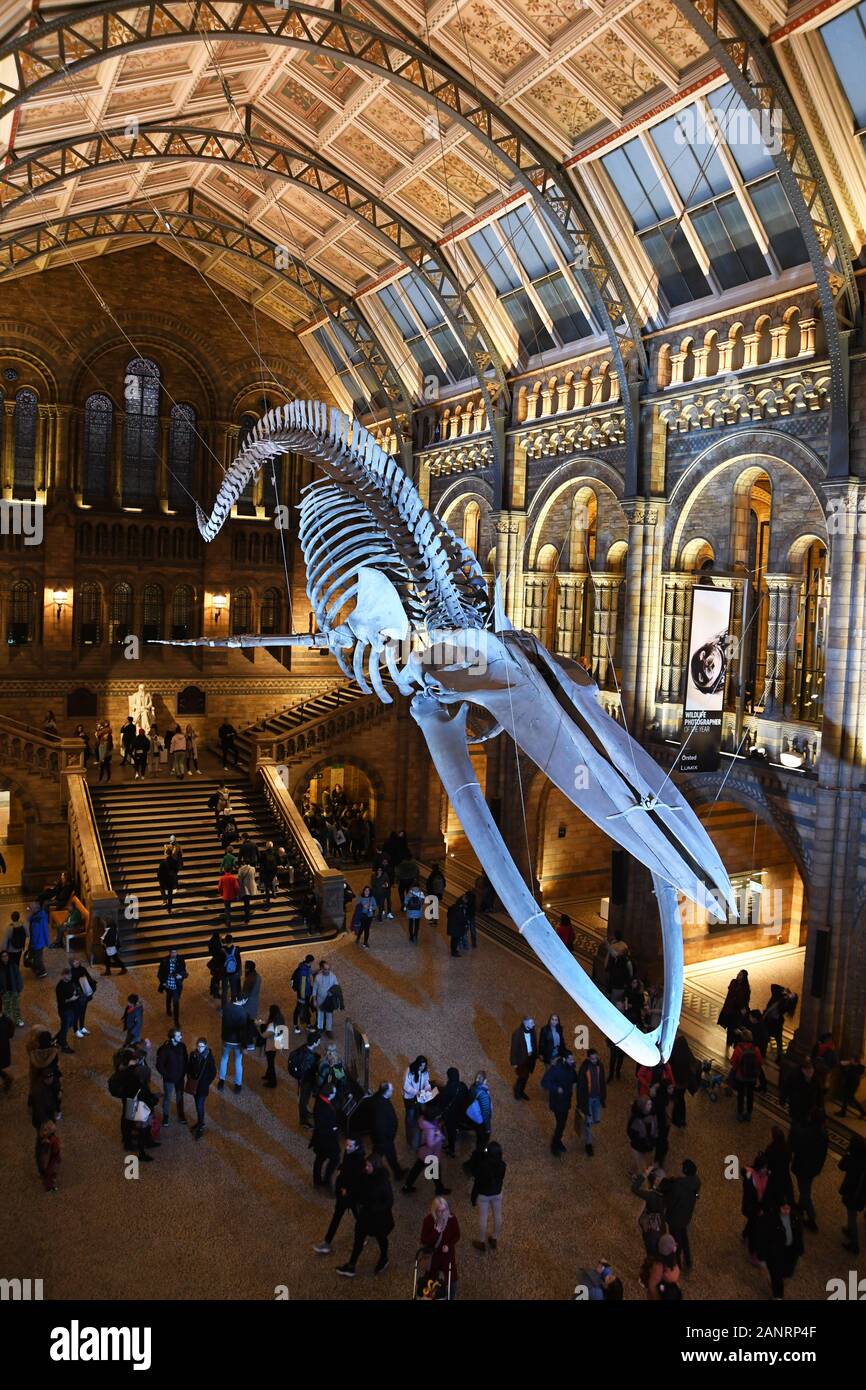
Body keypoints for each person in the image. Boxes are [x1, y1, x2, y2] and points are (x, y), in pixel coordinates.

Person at [337, 1154, 395, 1277]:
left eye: (369, 1165)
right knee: (358, 1239)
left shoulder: (383, 1182)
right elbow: (358, 1188)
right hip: (365, 1215)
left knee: (381, 1238)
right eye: (366, 1165)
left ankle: (384, 1258)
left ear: (375, 1166)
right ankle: (351, 1265)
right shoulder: (365, 1175)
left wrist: (375, 1208)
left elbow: (389, 1201)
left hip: (378, 1217)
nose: (366, 1167)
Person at [314, 1138, 366, 1254]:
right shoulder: (349, 1153)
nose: (347, 1147)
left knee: (355, 1216)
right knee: (344, 1216)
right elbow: (345, 1166)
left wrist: (346, 1189)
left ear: (357, 1146)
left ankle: (328, 1242)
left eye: (350, 1145)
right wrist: (340, 1169)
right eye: (347, 1144)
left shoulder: (359, 1161)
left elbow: (357, 1180)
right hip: (344, 1195)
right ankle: (327, 1242)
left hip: (350, 1196)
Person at [789, 1107, 827, 1233]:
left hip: (803, 1167)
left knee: (805, 1192)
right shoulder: (823, 1134)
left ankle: (811, 1217)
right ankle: (800, 1207)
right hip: (813, 1168)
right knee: (806, 1188)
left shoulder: (805, 1133)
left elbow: (795, 1146)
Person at [401, 1105, 450, 1195]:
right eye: (438, 1115)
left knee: (417, 1168)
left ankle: (407, 1186)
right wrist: (439, 1136)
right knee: (435, 1173)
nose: (440, 1116)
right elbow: (430, 1143)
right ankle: (440, 1189)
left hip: (423, 1152)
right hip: (430, 1154)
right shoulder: (430, 1129)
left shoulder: (423, 1120)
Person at [661, 1159, 700, 1269]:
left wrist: (670, 1181)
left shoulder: (678, 1185)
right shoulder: (696, 1181)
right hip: (686, 1215)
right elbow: (696, 1195)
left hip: (675, 1217)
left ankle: (677, 1263)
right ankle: (688, 1260)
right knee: (684, 1236)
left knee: (677, 1241)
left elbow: (669, 1199)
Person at [419, 1195, 460, 1300]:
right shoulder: (428, 1221)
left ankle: (451, 1296)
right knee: (432, 1279)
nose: (442, 1213)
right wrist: (436, 1231)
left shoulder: (452, 1219)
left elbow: (457, 1235)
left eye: (444, 1210)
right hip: (434, 1256)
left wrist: (448, 1245)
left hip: (447, 1256)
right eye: (439, 1211)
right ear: (434, 1210)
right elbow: (424, 1240)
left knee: (452, 1278)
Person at [470, 1139, 506, 1253]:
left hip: (484, 1195)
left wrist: (473, 1197)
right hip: (497, 1192)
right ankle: (494, 1238)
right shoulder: (503, 1165)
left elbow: (477, 1181)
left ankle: (481, 1242)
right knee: (497, 1215)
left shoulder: (483, 1166)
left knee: (483, 1217)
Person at [542, 1051, 577, 1155]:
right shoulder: (556, 1070)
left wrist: (574, 1084)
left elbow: (575, 1078)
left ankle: (557, 1141)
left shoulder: (570, 1068)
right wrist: (556, 1089)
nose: (573, 1061)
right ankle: (555, 1144)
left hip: (566, 1101)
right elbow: (544, 1082)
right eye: (570, 1059)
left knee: (561, 1124)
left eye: (573, 1059)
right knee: (561, 1124)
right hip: (558, 1102)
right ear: (565, 1059)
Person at [370, 1081, 405, 1180]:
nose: (393, 1090)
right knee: (390, 1155)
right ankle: (397, 1173)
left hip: (382, 1138)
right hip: (385, 1139)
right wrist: (387, 1138)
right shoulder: (381, 1106)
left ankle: (397, 1172)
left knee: (378, 1153)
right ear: (386, 1092)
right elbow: (379, 1125)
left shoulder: (378, 1098)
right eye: (391, 1089)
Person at [576, 1046, 607, 1156]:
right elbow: (580, 1086)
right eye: (593, 1058)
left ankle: (586, 1125)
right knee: (589, 1122)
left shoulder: (600, 1066)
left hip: (597, 1098)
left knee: (596, 1119)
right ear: (589, 1058)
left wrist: (603, 1097)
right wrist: (580, 1103)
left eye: (596, 1058)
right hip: (588, 1098)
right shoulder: (585, 1068)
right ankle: (588, 1143)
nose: (595, 1060)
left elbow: (602, 1082)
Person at [632, 1164, 667, 1257]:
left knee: (650, 1245)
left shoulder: (651, 1195)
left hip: (649, 1224)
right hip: (660, 1225)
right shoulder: (667, 1195)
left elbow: (634, 1189)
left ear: (656, 1180)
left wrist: (645, 1174)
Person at [839, 1132, 866, 1255]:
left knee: (852, 1216)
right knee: (851, 1214)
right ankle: (850, 1230)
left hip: (853, 1193)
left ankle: (854, 1243)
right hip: (859, 1193)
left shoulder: (854, 1159)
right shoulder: (863, 1159)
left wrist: (847, 1153)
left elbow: (841, 1165)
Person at [186, 1037, 217, 1139]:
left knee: (199, 1106)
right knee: (197, 1105)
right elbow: (189, 1067)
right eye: (198, 1046)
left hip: (203, 1087)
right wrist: (190, 1076)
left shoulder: (209, 1057)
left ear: (206, 1046)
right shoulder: (193, 1054)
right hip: (194, 1086)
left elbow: (213, 1072)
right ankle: (200, 1122)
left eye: (202, 1046)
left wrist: (207, 1082)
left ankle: (200, 1127)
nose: (199, 1048)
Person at [156, 1027, 188, 1125]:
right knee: (167, 1098)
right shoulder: (165, 1049)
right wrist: (167, 1075)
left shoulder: (182, 1046)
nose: (181, 1037)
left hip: (180, 1078)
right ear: (172, 1038)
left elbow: (186, 1059)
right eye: (178, 1036)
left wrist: (184, 1072)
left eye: (180, 1035)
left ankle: (181, 1115)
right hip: (169, 1079)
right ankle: (166, 1117)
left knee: (180, 1097)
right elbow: (159, 1065)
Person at [312, 1082, 341, 1190]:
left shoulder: (322, 1100)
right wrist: (333, 1128)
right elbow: (321, 1126)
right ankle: (326, 1180)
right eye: (334, 1093)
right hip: (326, 1139)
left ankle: (318, 1180)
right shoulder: (322, 1108)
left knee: (320, 1158)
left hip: (323, 1139)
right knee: (335, 1158)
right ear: (329, 1095)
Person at [729, 1028, 762, 1122]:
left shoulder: (739, 1049)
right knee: (750, 1095)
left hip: (741, 1076)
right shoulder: (756, 1049)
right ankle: (748, 1114)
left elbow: (733, 1062)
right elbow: (760, 1062)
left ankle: (740, 1113)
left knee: (741, 1095)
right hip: (752, 1077)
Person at [290, 1031, 321, 1129]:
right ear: (315, 1042)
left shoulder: (305, 1047)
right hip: (306, 1081)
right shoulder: (309, 1057)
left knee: (304, 1099)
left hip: (303, 1079)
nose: (320, 1041)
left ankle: (306, 1113)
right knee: (304, 1100)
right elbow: (306, 1070)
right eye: (318, 1040)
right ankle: (303, 1120)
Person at [402, 1056, 434, 1149]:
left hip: (420, 1097)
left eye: (424, 1066)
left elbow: (426, 1082)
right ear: (417, 1064)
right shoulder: (409, 1071)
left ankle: (417, 1136)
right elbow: (405, 1086)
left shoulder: (425, 1071)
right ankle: (409, 1137)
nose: (422, 1068)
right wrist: (416, 1092)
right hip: (410, 1098)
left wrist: (427, 1088)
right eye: (421, 1066)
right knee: (410, 1117)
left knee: (419, 1115)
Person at [669, 1030, 698, 1128]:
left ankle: (676, 1119)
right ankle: (682, 1119)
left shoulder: (674, 1051)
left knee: (678, 1100)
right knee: (681, 1099)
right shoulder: (686, 1051)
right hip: (686, 1081)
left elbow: (670, 1065)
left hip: (677, 1081)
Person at [217, 999, 247, 1094]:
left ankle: (221, 1081)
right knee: (238, 1062)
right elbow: (243, 1032)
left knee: (224, 1059)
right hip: (238, 1042)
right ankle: (238, 1085)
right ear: (242, 1000)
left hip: (226, 1040)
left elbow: (223, 1023)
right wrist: (244, 1045)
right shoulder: (243, 1012)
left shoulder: (226, 1007)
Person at [717, 969, 750, 1051]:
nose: (738, 976)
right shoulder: (733, 982)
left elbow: (745, 1001)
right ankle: (729, 1043)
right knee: (730, 1028)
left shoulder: (745, 989)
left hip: (737, 1012)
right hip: (729, 1009)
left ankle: (734, 1045)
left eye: (740, 975)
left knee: (734, 1028)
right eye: (738, 974)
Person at [763, 983, 797, 1060]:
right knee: (769, 1036)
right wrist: (784, 989)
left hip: (775, 1022)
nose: (791, 995)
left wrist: (785, 994)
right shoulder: (780, 996)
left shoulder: (786, 1004)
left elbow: (780, 1008)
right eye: (792, 994)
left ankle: (778, 1055)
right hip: (770, 1019)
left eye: (793, 996)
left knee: (776, 1038)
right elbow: (773, 986)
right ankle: (765, 1052)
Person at [627, 1096, 658, 1177]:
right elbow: (631, 1133)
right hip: (638, 1146)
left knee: (639, 1161)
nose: (650, 1106)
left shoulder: (652, 1114)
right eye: (648, 1105)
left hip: (648, 1144)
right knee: (641, 1164)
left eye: (650, 1104)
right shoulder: (635, 1119)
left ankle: (631, 1172)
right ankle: (641, 1180)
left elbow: (655, 1128)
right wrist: (643, 1141)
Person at [157, 948, 187, 1026]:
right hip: (168, 985)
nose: (174, 954)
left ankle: (176, 1020)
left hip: (176, 986)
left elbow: (184, 971)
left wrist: (181, 976)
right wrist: (163, 983)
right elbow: (160, 974)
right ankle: (168, 1010)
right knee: (168, 997)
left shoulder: (180, 960)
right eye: (172, 952)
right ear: (169, 953)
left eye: (175, 952)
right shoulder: (164, 961)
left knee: (176, 1003)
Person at [510, 1016, 538, 1099]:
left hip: (530, 1058)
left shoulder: (532, 1031)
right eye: (531, 1022)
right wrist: (514, 1062)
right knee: (523, 1076)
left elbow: (534, 1043)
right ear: (525, 1023)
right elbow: (514, 1049)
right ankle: (517, 1091)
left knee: (526, 1076)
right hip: (522, 1059)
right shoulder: (517, 1033)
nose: (533, 1024)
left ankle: (521, 1091)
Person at [54, 967, 79, 1055]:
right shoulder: (60, 986)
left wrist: (75, 993)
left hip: (71, 1008)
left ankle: (56, 1039)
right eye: (68, 975)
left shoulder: (69, 982)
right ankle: (64, 1045)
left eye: (70, 975)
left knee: (69, 1025)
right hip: (64, 1010)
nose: (70, 976)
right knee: (65, 1027)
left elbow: (72, 991)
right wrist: (72, 999)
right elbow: (61, 1001)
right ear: (63, 975)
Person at [259, 1004, 285, 1088]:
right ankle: (268, 1075)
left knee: (270, 1063)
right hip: (277, 1044)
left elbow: (264, 1036)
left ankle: (272, 1082)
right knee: (270, 1061)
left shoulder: (272, 1025)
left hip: (270, 1046)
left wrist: (258, 1028)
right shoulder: (280, 1019)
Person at [70, 956, 96, 1037]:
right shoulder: (71, 972)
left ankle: (82, 1027)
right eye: (75, 962)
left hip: (84, 994)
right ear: (71, 964)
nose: (77, 963)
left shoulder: (83, 969)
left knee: (83, 1012)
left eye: (78, 961)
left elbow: (88, 977)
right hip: (77, 996)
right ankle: (76, 1030)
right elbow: (71, 984)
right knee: (76, 1014)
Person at [312, 959, 339, 1035]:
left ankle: (328, 1030)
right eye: (325, 969)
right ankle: (319, 1028)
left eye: (328, 969)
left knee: (329, 1015)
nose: (327, 971)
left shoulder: (333, 976)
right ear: (322, 969)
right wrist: (314, 1000)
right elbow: (315, 989)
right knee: (320, 1014)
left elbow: (336, 987)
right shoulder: (318, 977)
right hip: (320, 999)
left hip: (329, 1000)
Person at [290, 954, 315, 1033]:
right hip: (303, 995)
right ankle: (296, 1025)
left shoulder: (303, 966)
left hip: (305, 993)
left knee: (305, 1009)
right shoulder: (303, 971)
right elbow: (303, 985)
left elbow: (309, 973)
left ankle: (307, 1024)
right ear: (311, 962)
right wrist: (302, 998)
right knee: (299, 1009)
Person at [0, 948, 24, 1029]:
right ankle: (8, 1023)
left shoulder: (13, 965)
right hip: (5, 991)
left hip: (14, 990)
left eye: (6, 956)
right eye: (3, 956)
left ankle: (18, 1019)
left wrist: (19, 988)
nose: (5, 957)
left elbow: (18, 977)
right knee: (7, 1008)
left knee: (16, 1006)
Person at [836, 1055, 866, 1120]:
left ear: (856, 1061)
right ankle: (843, 1113)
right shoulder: (852, 1067)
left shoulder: (856, 1068)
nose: (850, 1061)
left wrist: (844, 1066)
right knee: (847, 1098)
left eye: (852, 1060)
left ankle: (863, 1112)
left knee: (850, 1099)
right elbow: (845, 1073)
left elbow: (850, 1075)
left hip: (852, 1085)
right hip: (849, 1084)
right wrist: (842, 1066)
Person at [36, 1119, 61, 1193]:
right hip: (50, 1160)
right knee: (49, 1174)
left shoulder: (48, 1139)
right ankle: (49, 1188)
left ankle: (50, 1178)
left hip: (51, 1158)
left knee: (51, 1171)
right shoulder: (49, 1141)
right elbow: (49, 1153)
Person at [27, 901, 50, 979]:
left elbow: (35, 934)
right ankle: (37, 968)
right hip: (40, 941)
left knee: (37, 958)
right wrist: (31, 913)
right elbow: (29, 919)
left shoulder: (37, 920)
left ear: (36, 908)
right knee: (36, 956)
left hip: (38, 942)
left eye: (30, 908)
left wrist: (32, 944)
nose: (29, 909)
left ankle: (42, 971)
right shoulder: (40, 914)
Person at [220, 934, 242, 1004]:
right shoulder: (236, 950)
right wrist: (237, 971)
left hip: (225, 974)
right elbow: (239, 962)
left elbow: (220, 963)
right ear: (232, 941)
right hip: (234, 973)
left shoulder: (222, 950)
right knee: (234, 990)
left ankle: (224, 1007)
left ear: (225, 941)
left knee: (224, 991)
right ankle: (233, 1005)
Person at [0, 998, 14, 1091]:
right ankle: (6, 1078)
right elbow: (10, 1034)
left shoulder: (5, 1021)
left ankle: (6, 1078)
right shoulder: (6, 1020)